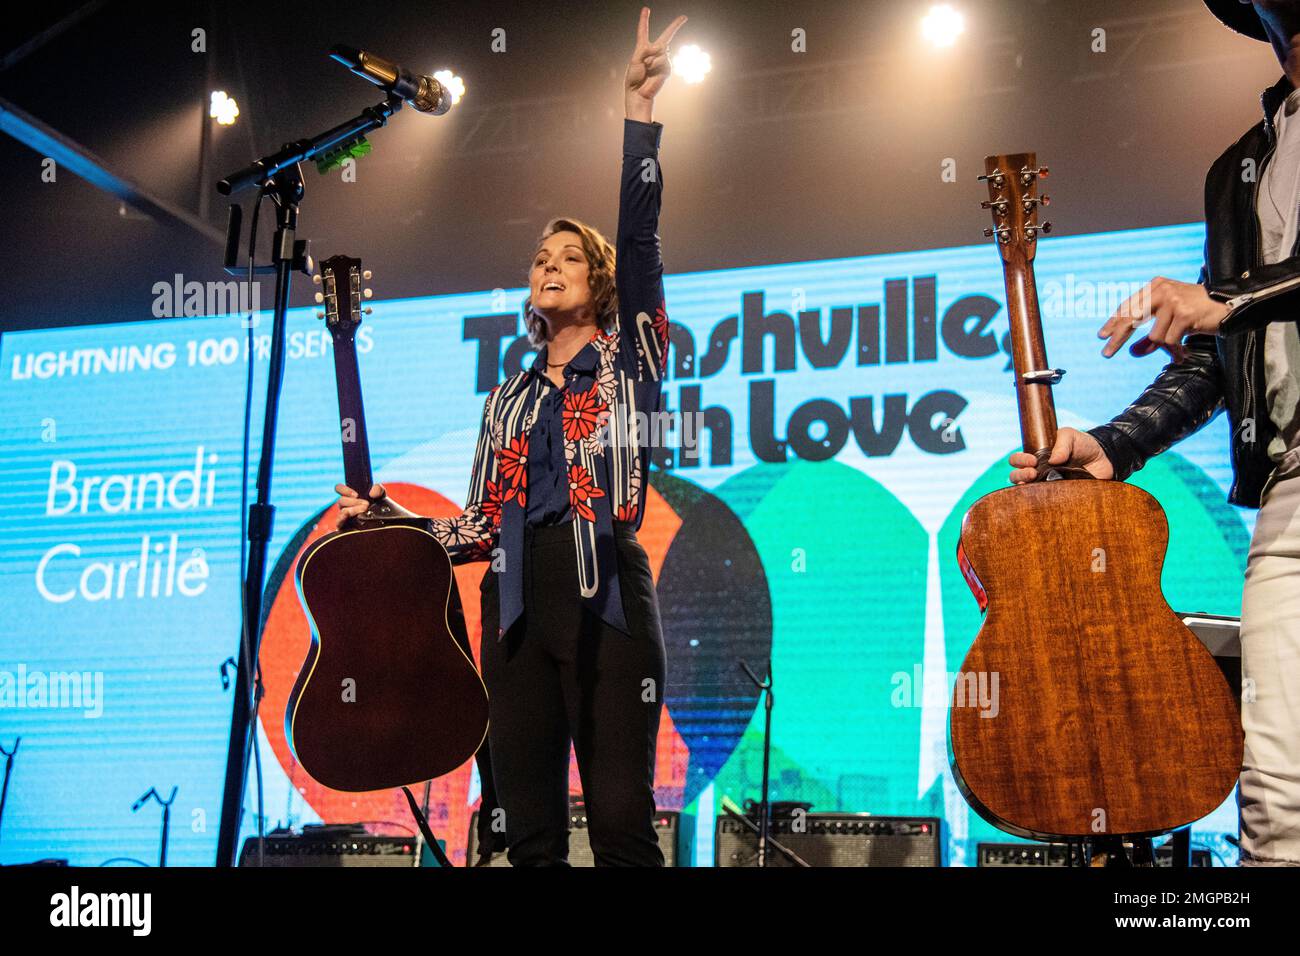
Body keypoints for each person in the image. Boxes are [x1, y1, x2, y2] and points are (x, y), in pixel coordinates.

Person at [335, 7, 686, 866]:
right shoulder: (508, 400)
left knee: (618, 825)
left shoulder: (630, 356)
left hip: (605, 593)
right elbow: (482, 524)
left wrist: (637, 120)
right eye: (538, 259)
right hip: (514, 602)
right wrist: (392, 523)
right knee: (524, 831)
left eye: (567, 256)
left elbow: (639, 236)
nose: (549, 265)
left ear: (598, 282)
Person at [1009, 0, 1300, 866]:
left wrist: (1230, 300)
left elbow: (1228, 308)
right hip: (1289, 495)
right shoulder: (1239, 169)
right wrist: (1111, 444)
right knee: (1278, 802)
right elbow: (1219, 355)